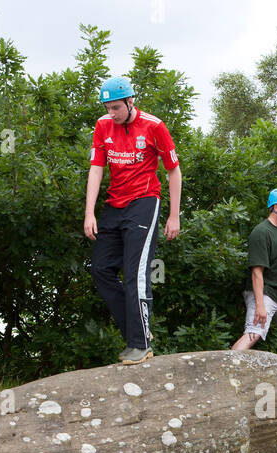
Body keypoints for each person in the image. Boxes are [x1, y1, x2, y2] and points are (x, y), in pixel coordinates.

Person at [84, 76, 182, 365]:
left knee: (136, 273)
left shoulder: (154, 126)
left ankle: (139, 344)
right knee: (100, 269)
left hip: (144, 201)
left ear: (130, 102)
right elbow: (96, 168)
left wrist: (174, 216)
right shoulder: (103, 126)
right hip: (114, 204)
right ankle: (138, 331)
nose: (110, 113)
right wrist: (89, 212)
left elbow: (173, 171)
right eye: (107, 108)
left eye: (115, 108)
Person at [231, 188, 277, 359]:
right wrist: (260, 305)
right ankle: (225, 370)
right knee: (253, 334)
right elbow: (257, 272)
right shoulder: (262, 232)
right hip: (265, 294)